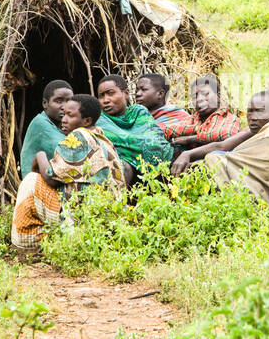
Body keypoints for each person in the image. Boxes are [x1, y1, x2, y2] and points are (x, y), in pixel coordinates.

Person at [11, 94, 125, 250]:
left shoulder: (79, 136)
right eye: (64, 114)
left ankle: (28, 246)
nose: (64, 119)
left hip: (81, 221)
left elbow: (51, 177)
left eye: (70, 115)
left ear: (86, 121)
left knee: (31, 181)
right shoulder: (102, 138)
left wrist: (40, 155)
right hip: (107, 223)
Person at [173, 90, 269, 218]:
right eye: (250, 111)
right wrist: (188, 154)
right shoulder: (259, 129)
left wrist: (202, 159)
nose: (253, 117)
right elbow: (223, 146)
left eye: (260, 111)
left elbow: (239, 160)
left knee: (214, 159)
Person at [95, 74, 173, 181]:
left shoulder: (139, 112)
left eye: (110, 93)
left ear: (126, 93)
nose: (105, 100)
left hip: (154, 175)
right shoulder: (99, 120)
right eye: (101, 96)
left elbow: (155, 142)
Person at [18, 79, 73, 175]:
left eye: (69, 101)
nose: (64, 107)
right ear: (45, 104)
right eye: (58, 101)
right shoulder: (40, 124)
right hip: (38, 185)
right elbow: (68, 152)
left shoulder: (62, 126)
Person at [174, 74, 242, 149]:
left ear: (218, 97)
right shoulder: (192, 119)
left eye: (205, 94)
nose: (199, 99)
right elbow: (170, 130)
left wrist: (190, 139)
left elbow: (226, 134)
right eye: (195, 96)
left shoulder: (230, 118)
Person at [135, 73, 196, 148]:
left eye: (143, 89)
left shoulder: (181, 118)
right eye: (136, 90)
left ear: (160, 94)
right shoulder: (134, 118)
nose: (138, 94)